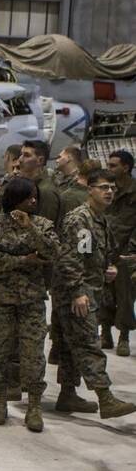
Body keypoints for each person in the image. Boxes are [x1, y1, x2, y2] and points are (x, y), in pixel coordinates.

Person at [51, 167, 136, 419]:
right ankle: (105, 398)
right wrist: (78, 291)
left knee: (69, 345)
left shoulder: (99, 218)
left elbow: (92, 254)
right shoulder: (81, 220)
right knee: (89, 344)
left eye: (112, 188)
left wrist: (107, 267)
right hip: (76, 292)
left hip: (88, 288)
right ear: (90, 190)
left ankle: (67, 395)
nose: (109, 192)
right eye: (103, 188)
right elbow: (70, 258)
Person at [0, 177, 61, 431]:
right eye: (29, 197)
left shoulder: (43, 225)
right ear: (15, 199)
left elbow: (52, 253)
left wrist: (32, 230)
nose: (34, 201)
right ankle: (0, 401)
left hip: (31, 301)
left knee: (33, 356)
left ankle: (34, 407)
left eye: (35, 196)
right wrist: (26, 260)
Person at [101, 149, 136, 356]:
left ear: (126, 167)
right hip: (106, 247)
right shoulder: (107, 189)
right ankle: (105, 332)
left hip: (126, 251)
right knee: (104, 292)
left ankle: (123, 335)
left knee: (125, 294)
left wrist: (132, 249)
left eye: (113, 165)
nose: (109, 169)